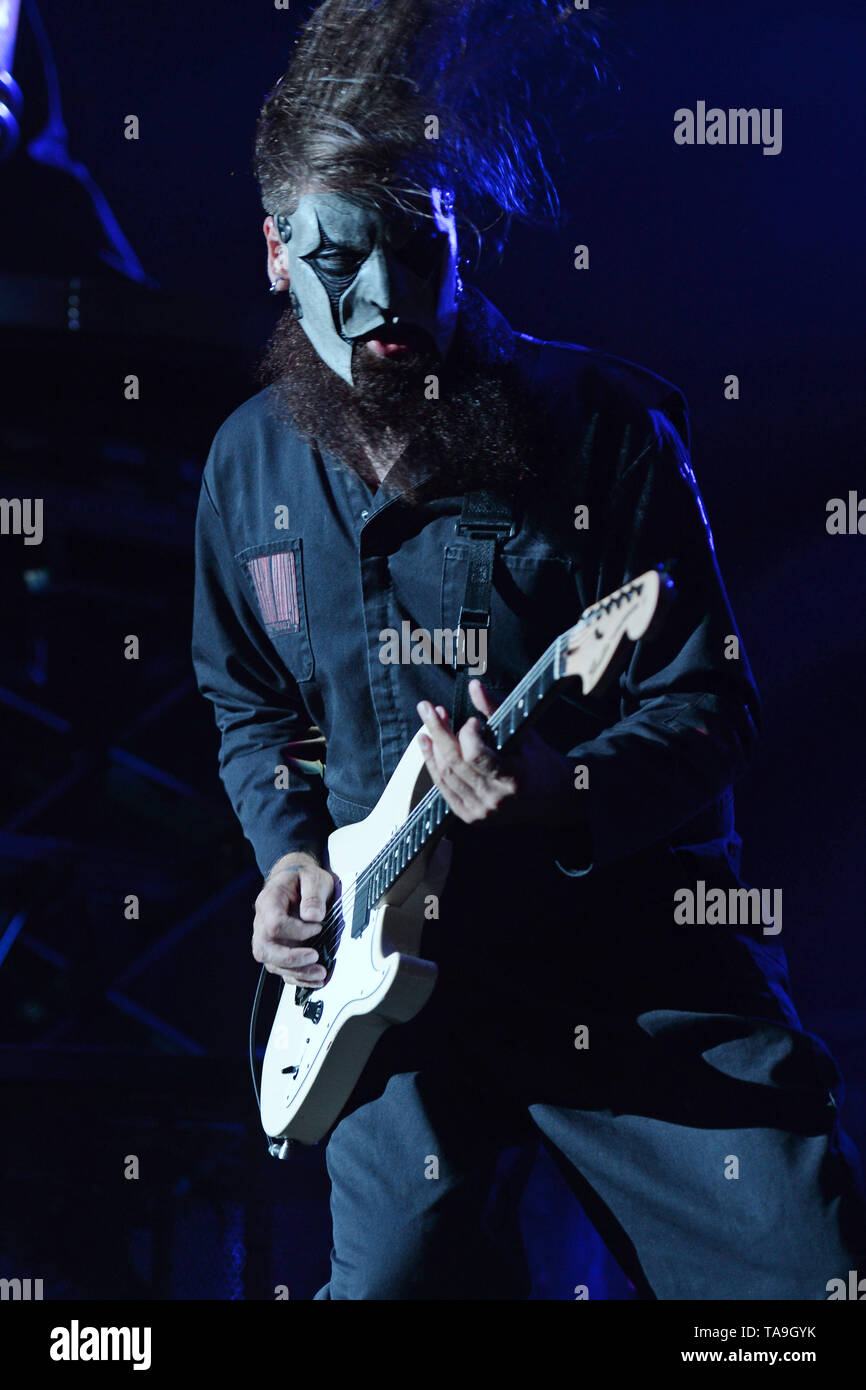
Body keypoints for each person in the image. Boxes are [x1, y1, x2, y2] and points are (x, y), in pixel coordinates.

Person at [192, 0, 865, 1299]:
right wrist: (282, 852)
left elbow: (707, 697)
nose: (384, 299)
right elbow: (246, 700)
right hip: (390, 1001)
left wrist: (567, 794)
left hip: (627, 961)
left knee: (802, 1279)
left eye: (413, 247)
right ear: (276, 253)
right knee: (389, 1280)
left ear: (456, 225)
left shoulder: (601, 425)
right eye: (338, 260)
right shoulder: (244, 467)